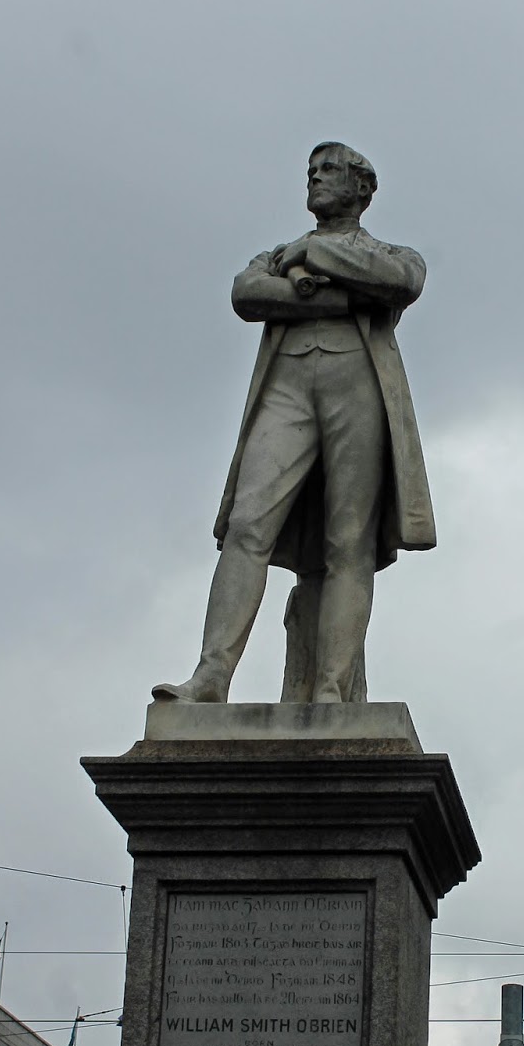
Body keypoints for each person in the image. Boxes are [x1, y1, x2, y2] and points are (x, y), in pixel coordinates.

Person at [153, 141, 435, 706]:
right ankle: (210, 679)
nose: (314, 178)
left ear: (361, 187)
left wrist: (313, 259)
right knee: (246, 523)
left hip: (358, 388)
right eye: (310, 171)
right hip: (286, 389)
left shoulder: (382, 252)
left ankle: (330, 691)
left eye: (328, 170)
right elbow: (247, 293)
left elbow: (400, 282)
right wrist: (337, 299)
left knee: (347, 543)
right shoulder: (275, 256)